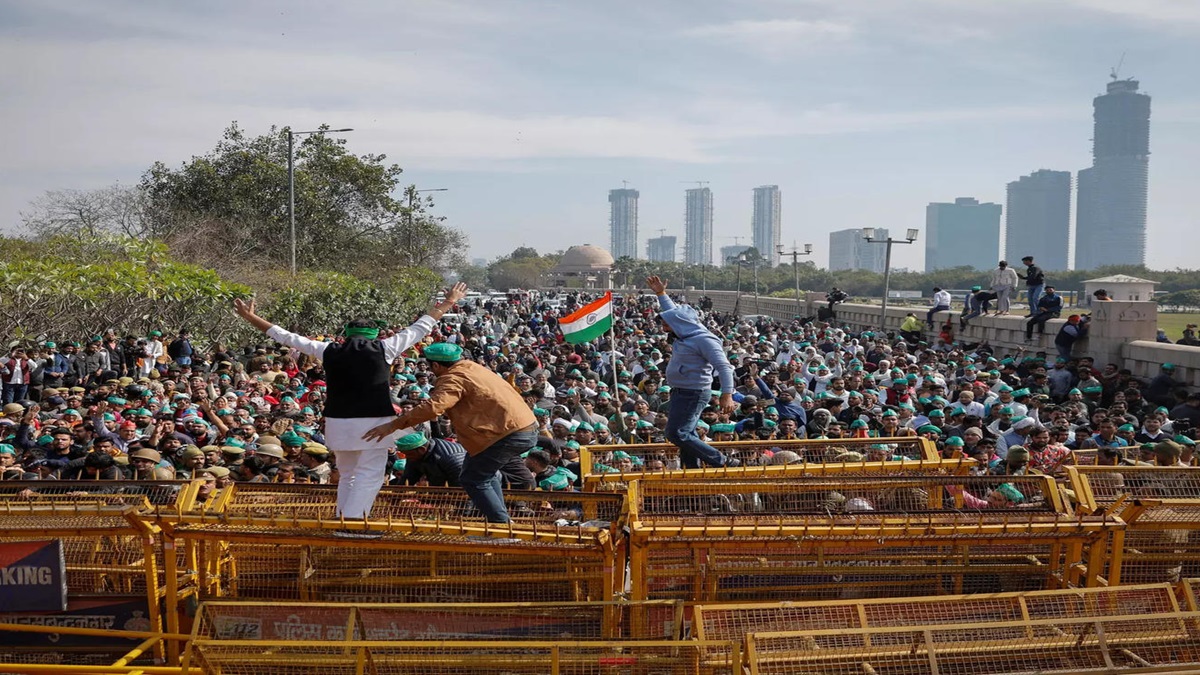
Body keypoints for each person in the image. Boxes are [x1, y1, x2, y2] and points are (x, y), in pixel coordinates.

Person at [232, 283, 467, 522]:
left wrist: (251, 317)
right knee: (369, 475)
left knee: (347, 475)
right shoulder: (386, 347)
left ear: (347, 334)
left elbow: (287, 337)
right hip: (374, 423)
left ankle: (342, 519)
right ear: (375, 335)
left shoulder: (328, 350)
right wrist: (448, 302)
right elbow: (422, 326)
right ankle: (352, 523)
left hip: (338, 424)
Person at [363, 342, 537, 524]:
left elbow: (434, 407)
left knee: (473, 478)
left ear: (436, 365)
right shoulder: (472, 367)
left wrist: (393, 425)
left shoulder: (452, 377)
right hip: (514, 428)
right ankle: (499, 522)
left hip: (506, 433)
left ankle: (502, 525)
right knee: (483, 474)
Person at [645, 276, 738, 468]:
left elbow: (724, 366)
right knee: (688, 433)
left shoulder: (704, 339)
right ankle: (691, 468)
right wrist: (661, 294)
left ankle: (723, 460)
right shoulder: (684, 331)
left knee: (676, 433)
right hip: (680, 391)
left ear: (679, 324)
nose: (663, 327)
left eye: (666, 324)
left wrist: (727, 394)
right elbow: (674, 313)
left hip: (693, 393)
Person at [393, 431, 466, 487]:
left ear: (421, 449)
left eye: (408, 454)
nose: (406, 457)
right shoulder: (414, 456)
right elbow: (408, 478)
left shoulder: (451, 458)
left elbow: (462, 487)